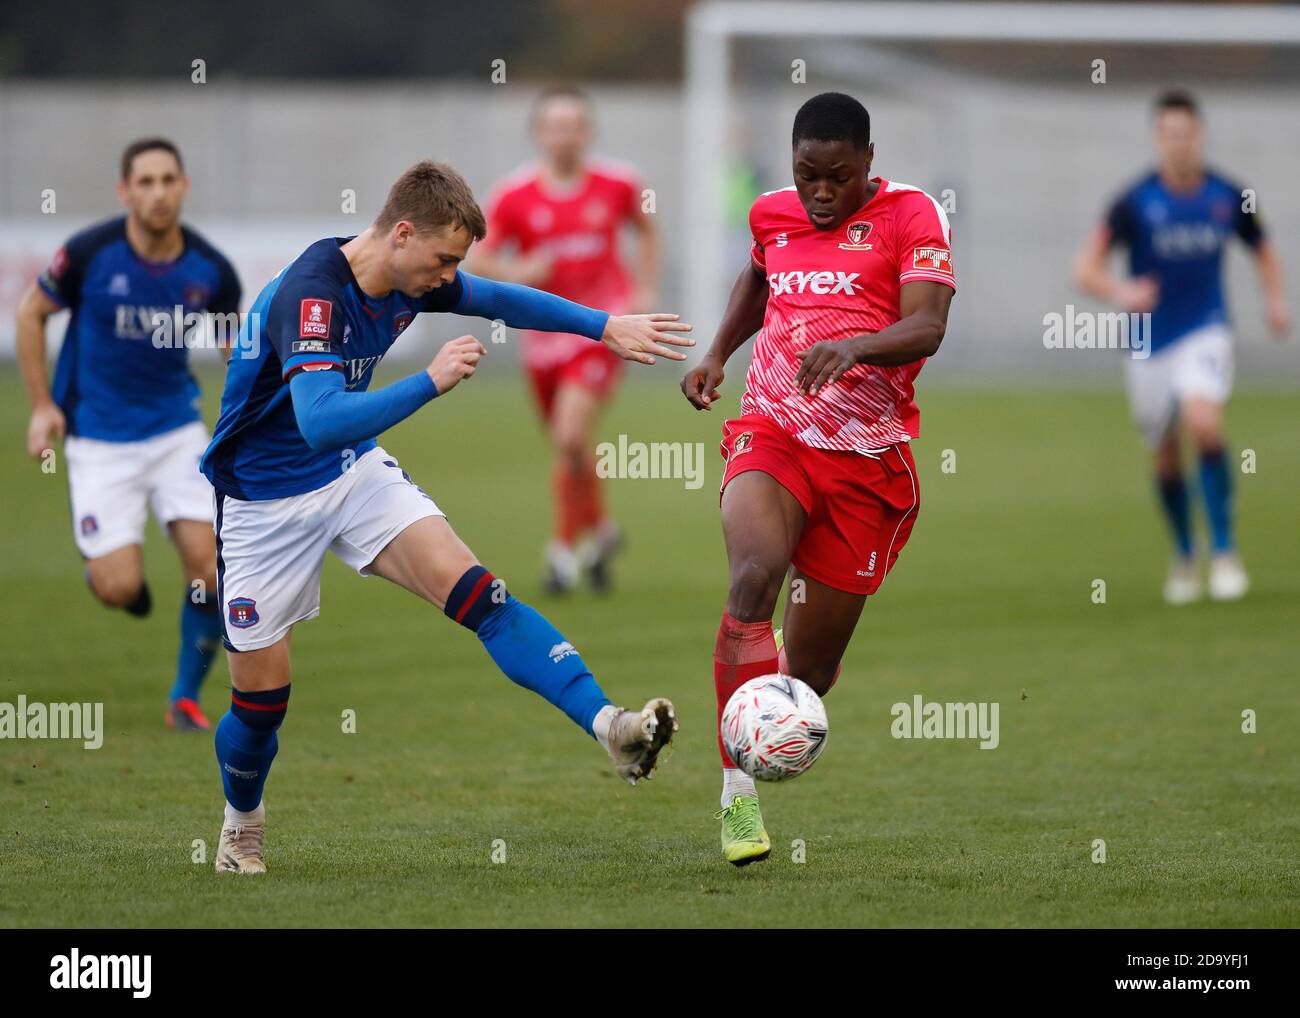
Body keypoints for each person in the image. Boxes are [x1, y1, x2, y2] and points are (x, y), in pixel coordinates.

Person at [201, 160, 692, 874]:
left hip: (351, 474)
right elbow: (318, 422)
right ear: (402, 233)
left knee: (483, 598)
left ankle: (608, 724)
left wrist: (604, 326)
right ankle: (242, 821)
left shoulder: (409, 275)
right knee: (261, 705)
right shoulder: (312, 297)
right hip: (262, 503)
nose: (447, 277)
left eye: (452, 263)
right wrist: (428, 383)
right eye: (442, 260)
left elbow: (501, 299)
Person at [681, 93, 956, 866]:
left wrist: (859, 347)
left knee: (808, 673)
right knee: (754, 576)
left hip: (867, 463)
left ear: (868, 162)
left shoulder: (912, 217)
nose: (821, 193)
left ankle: (770, 730)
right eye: (808, 176)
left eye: (837, 176)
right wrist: (716, 354)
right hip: (774, 431)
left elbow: (929, 324)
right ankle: (737, 798)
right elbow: (757, 279)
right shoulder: (772, 213)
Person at [17, 137, 241, 731]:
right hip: (98, 437)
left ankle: (184, 698)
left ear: (184, 186)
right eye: (145, 182)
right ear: (124, 192)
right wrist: (42, 406)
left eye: (169, 179)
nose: (159, 192)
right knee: (117, 588)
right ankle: (129, 587)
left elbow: (233, 354)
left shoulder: (211, 270)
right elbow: (29, 313)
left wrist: (254, 415)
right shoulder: (90, 254)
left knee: (213, 572)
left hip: (175, 432)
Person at [1073, 89, 1289, 603]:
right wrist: (1123, 291)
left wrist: (1275, 301)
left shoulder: (1229, 195)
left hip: (1207, 327)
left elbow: (1263, 250)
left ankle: (1226, 552)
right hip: (1148, 341)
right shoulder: (1134, 202)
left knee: (1205, 424)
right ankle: (1185, 554)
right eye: (1168, 135)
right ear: (1157, 138)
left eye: (1185, 134)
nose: (1178, 143)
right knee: (1166, 456)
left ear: (1200, 135)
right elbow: (1084, 270)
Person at [472, 86, 660, 593]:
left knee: (570, 436)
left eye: (574, 125)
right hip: (545, 338)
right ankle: (602, 534)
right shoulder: (513, 195)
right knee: (572, 449)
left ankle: (560, 554)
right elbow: (477, 260)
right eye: (555, 126)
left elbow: (646, 229)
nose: (565, 135)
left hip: (603, 327)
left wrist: (642, 286)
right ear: (538, 133)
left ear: (589, 131)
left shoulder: (619, 184)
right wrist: (520, 268)